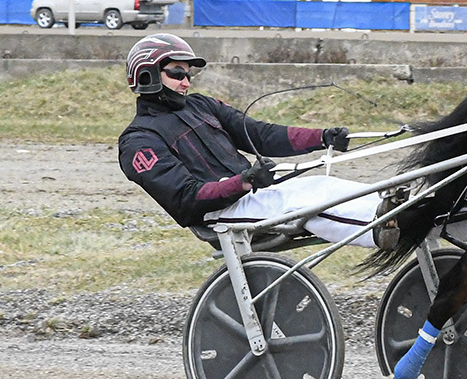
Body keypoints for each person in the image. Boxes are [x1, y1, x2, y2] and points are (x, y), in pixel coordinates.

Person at [117, 33, 401, 250]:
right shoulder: (138, 141)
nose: (186, 82)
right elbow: (185, 198)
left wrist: (322, 136)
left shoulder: (201, 106)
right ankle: (380, 228)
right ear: (147, 75)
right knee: (298, 202)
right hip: (219, 214)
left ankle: (398, 210)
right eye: (177, 73)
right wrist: (244, 181)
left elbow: (261, 134)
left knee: (321, 185)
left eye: (188, 74)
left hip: (250, 197)